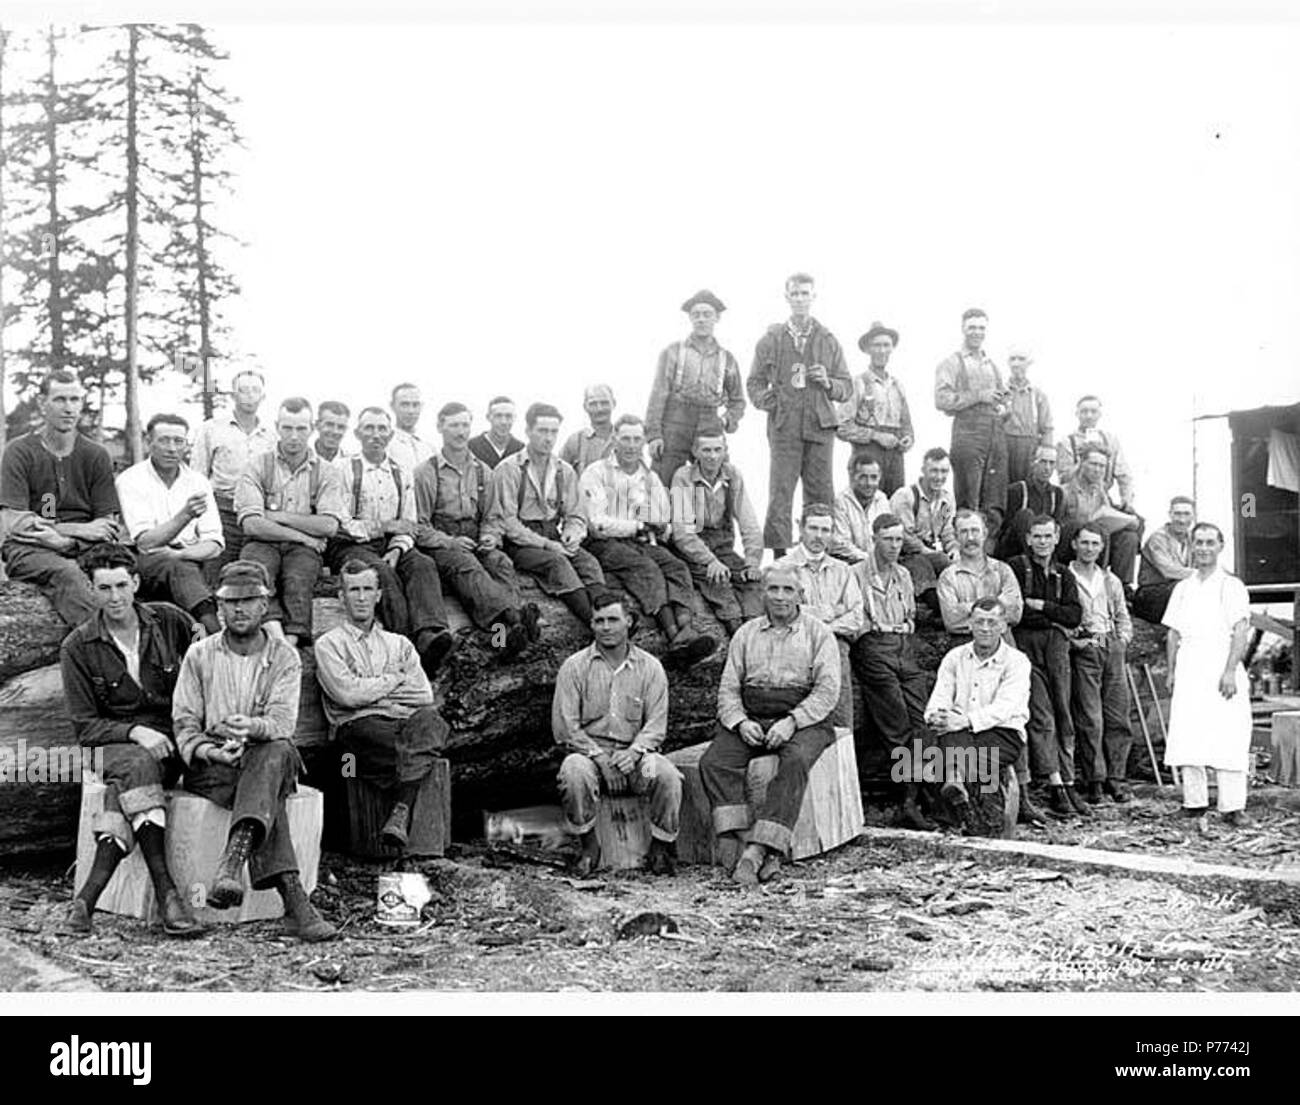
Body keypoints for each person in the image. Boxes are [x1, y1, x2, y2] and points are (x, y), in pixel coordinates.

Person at [172, 560, 336, 942]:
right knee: (268, 783)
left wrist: (252, 727)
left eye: (248, 601)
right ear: (218, 606)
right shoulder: (200, 655)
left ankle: (233, 863)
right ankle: (295, 903)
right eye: (231, 602)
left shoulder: (283, 656)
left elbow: (282, 723)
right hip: (214, 766)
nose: (239, 609)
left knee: (275, 750)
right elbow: (184, 724)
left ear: (265, 606)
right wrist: (211, 752)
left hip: (262, 755)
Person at [59, 545, 202, 937]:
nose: (115, 597)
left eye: (122, 585)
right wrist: (134, 732)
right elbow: (85, 728)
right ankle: (167, 891)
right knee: (136, 765)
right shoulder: (78, 646)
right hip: (111, 746)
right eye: (104, 588)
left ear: (136, 582)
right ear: (91, 589)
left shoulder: (171, 622)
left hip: (172, 741)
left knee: (127, 784)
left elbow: (204, 670)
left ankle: (85, 902)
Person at [702, 564, 842, 885]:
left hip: (804, 718)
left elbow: (827, 691)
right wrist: (739, 723)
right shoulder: (746, 633)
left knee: (793, 762)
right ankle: (743, 840)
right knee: (714, 762)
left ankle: (758, 850)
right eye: (773, 589)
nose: (780, 597)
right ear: (762, 593)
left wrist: (793, 722)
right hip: (752, 716)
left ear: (800, 595)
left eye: (788, 590)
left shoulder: (818, 634)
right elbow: (728, 688)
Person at [313, 560, 448, 850]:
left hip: (399, 726)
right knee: (403, 741)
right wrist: (392, 681)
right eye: (353, 590)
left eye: (367, 589)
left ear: (378, 595)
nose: (361, 597)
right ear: (341, 597)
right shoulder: (329, 644)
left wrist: (369, 691)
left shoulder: (399, 644)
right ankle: (406, 801)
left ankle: (399, 813)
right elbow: (347, 697)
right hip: (358, 730)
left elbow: (423, 695)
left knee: (432, 721)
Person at [552, 591, 682, 877]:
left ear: (629, 622)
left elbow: (656, 726)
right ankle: (589, 846)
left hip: (636, 759)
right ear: (592, 625)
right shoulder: (575, 667)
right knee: (573, 772)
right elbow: (565, 727)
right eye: (599, 621)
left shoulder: (650, 667)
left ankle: (660, 849)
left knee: (666, 775)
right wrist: (599, 758)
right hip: (590, 756)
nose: (606, 627)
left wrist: (635, 752)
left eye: (613, 619)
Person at [578, 414, 715, 667]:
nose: (631, 445)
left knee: (675, 566)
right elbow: (597, 523)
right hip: (604, 543)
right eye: (626, 438)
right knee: (646, 569)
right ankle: (672, 634)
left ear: (643, 441)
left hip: (642, 541)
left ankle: (687, 628)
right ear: (615, 440)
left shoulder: (649, 476)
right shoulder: (596, 473)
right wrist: (639, 524)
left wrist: (660, 525)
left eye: (637, 439)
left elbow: (662, 516)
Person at [328, 406, 456, 674]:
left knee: (422, 564)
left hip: (390, 544)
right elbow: (340, 523)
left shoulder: (401, 472)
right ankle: (405, 645)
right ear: (358, 433)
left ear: (390, 434)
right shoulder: (342, 469)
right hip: (351, 544)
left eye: (382, 429)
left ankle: (430, 634)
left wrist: (397, 549)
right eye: (369, 429)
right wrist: (382, 527)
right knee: (380, 573)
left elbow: (407, 523)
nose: (376, 435)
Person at [414, 402, 539, 659]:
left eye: (465, 425)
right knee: (467, 565)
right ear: (440, 428)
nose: (461, 432)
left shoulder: (483, 471)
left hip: (475, 539)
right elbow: (419, 525)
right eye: (454, 425)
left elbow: (493, 516)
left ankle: (504, 639)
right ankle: (512, 621)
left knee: (501, 562)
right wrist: (449, 541)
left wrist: (489, 536)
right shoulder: (426, 473)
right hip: (441, 545)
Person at [1, 370, 123, 628]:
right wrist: (78, 529)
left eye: (75, 400)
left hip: (83, 547)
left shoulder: (96, 454)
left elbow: (108, 525)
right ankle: (106, 650)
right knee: (67, 573)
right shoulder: (19, 451)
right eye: (59, 400)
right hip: (30, 548)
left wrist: (67, 541)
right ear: (41, 403)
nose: (69, 408)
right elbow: (16, 523)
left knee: (125, 569)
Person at [746, 272, 853, 557]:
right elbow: (754, 382)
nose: (800, 299)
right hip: (785, 427)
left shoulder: (828, 340)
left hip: (819, 427)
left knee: (820, 494)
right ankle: (780, 558)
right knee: (781, 492)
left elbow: (847, 388)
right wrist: (767, 400)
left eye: (805, 293)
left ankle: (821, 555)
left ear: (813, 297)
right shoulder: (771, 340)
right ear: (787, 298)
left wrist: (829, 381)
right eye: (795, 294)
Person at [235, 397, 349, 648]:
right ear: (277, 426)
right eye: (287, 428)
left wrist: (276, 516)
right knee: (257, 571)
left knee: (298, 579)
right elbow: (252, 524)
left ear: (312, 429)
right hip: (262, 542)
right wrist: (304, 535)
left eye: (301, 429)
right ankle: (276, 637)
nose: (294, 436)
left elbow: (329, 526)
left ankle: (294, 639)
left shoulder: (328, 472)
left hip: (302, 550)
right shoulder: (256, 465)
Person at [1163, 522, 1253, 827]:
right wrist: (1172, 671)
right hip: (1190, 665)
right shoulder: (1183, 588)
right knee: (1188, 732)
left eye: (1209, 543)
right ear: (1191, 546)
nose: (1203, 548)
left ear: (1220, 546)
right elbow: (1173, 633)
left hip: (1220, 663)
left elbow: (1241, 631)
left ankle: (1232, 807)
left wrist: (1229, 671)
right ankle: (1194, 802)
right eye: (1198, 542)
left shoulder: (1231, 585)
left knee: (1228, 732)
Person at [850, 514, 936, 830]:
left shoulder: (903, 574)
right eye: (888, 539)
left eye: (899, 539)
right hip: (872, 648)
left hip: (904, 647)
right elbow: (857, 620)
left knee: (924, 720)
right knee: (896, 723)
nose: (894, 546)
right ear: (874, 538)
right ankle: (912, 798)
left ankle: (916, 795)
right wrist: (881, 628)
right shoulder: (856, 574)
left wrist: (902, 628)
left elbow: (910, 616)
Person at [487, 402, 604, 631]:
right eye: (542, 431)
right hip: (520, 541)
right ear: (528, 432)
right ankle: (594, 625)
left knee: (588, 562)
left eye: (553, 432)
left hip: (553, 533)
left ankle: (610, 617)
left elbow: (576, 514)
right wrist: (548, 545)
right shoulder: (508, 469)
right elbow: (508, 522)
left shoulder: (564, 470)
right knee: (557, 562)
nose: (548, 438)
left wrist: (572, 533)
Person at [924, 597, 1032, 833]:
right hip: (958, 732)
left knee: (960, 752)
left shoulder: (1017, 661)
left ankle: (956, 781)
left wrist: (962, 721)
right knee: (939, 737)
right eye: (979, 622)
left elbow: (1005, 707)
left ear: (1003, 626)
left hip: (1003, 732)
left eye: (992, 622)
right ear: (969, 624)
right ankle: (969, 809)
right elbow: (941, 694)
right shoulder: (955, 657)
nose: (985, 628)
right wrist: (936, 715)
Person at [1008, 516, 1089, 820]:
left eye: (1048, 536)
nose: (1042, 542)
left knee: (1064, 712)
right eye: (1037, 536)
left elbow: (1074, 615)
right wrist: (1054, 618)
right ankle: (1054, 785)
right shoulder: (1016, 567)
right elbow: (1018, 614)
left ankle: (1068, 782)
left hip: (1057, 647)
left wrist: (1042, 607)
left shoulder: (1063, 574)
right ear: (1028, 539)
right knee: (1041, 715)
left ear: (1057, 539)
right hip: (1026, 646)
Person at [115, 412, 223, 635]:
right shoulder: (131, 479)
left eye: (179, 441)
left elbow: (214, 543)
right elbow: (146, 543)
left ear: (186, 445)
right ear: (148, 442)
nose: (172, 448)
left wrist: (181, 554)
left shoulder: (198, 481)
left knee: (183, 567)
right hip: (145, 562)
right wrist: (185, 515)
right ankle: (214, 633)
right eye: (164, 440)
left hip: (188, 558)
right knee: (179, 568)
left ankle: (202, 636)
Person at [668, 426, 764, 636]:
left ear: (724, 451)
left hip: (723, 548)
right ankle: (736, 634)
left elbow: (749, 521)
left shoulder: (732, 475)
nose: (712, 456)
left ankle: (756, 633)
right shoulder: (683, 477)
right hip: (693, 551)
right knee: (719, 585)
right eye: (706, 450)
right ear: (695, 452)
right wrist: (709, 561)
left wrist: (753, 561)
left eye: (717, 450)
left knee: (752, 582)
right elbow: (683, 532)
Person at [775, 502, 864, 729]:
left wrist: (817, 620)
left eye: (825, 530)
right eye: (813, 528)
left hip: (834, 644)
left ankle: (843, 747)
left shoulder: (843, 570)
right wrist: (833, 610)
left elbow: (856, 617)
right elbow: (784, 614)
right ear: (801, 529)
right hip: (795, 642)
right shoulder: (782, 568)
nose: (819, 536)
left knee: (840, 705)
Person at [646, 290, 745, 485]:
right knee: (661, 483)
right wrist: (654, 435)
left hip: (709, 423)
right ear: (690, 318)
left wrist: (726, 421)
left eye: (707, 314)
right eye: (696, 315)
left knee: (718, 482)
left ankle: (711, 516)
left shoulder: (727, 358)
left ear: (717, 318)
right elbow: (658, 395)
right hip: (675, 423)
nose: (701, 319)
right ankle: (657, 516)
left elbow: (738, 401)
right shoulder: (673, 352)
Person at [1067, 522, 1135, 804]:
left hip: (1111, 648)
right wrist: (1076, 641)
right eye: (1084, 543)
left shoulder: (1110, 579)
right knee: (1090, 718)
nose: (1090, 549)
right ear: (1074, 544)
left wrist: (1122, 641)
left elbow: (1122, 615)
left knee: (1117, 715)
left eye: (1095, 544)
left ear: (1102, 547)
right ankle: (1094, 779)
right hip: (1085, 649)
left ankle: (1116, 779)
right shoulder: (1066, 576)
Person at [190, 368, 277, 565]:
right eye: (243, 390)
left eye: (255, 390)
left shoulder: (272, 435)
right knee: (216, 571)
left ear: (263, 397)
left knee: (255, 570)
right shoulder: (211, 429)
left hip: (260, 514)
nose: (249, 395)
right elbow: (197, 477)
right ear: (233, 395)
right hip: (222, 511)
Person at [934, 308, 1009, 531]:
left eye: (981, 328)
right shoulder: (952, 362)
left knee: (994, 499)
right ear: (963, 329)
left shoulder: (991, 364)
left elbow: (1002, 397)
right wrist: (978, 396)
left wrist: (1005, 407)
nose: (977, 332)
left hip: (995, 432)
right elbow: (941, 399)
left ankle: (989, 555)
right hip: (968, 433)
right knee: (969, 498)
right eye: (972, 327)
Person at [835, 321, 913, 495]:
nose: (882, 350)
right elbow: (841, 426)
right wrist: (876, 436)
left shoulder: (897, 386)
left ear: (892, 348)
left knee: (895, 505)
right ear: (867, 349)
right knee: (865, 504)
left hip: (895, 457)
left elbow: (907, 425)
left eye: (886, 345)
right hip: (867, 455)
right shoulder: (858, 383)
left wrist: (907, 438)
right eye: (877, 346)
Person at [1061, 444, 1142, 590]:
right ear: (1081, 463)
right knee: (1097, 532)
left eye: (1102, 466)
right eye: (1093, 464)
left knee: (1129, 537)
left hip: (1099, 545)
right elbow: (1059, 527)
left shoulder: (1100, 491)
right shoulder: (1065, 492)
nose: (1098, 470)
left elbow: (1109, 515)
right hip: (1073, 547)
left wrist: (1128, 521)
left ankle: (1121, 588)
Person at [937, 510, 1023, 643]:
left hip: (1004, 650)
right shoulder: (948, 577)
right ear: (956, 537)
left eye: (975, 531)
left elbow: (1015, 612)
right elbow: (951, 621)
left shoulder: (1003, 570)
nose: (970, 538)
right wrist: (998, 605)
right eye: (964, 532)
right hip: (966, 650)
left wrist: (966, 609)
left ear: (985, 534)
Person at [891, 446, 958, 615]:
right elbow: (903, 536)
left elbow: (947, 531)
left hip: (934, 552)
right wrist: (926, 550)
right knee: (924, 565)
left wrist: (954, 549)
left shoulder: (946, 500)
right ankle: (934, 608)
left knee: (953, 567)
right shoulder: (906, 496)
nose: (939, 477)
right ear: (923, 470)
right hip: (906, 555)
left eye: (944, 471)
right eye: (934, 471)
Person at [1056, 394, 1135, 511]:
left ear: (1099, 415)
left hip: (1102, 498)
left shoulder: (1110, 440)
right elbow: (1064, 477)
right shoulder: (1067, 442)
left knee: (1134, 524)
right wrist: (1083, 462)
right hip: (1075, 501)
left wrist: (1127, 501)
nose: (1089, 416)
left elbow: (1124, 475)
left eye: (1093, 412)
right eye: (1084, 411)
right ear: (1077, 414)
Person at [996, 444, 1066, 561]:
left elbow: (1057, 525)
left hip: (1044, 545)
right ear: (1033, 463)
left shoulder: (1057, 493)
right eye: (1043, 462)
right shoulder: (1017, 490)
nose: (1047, 467)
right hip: (1016, 548)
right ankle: (1035, 562)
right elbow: (1008, 527)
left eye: (1052, 463)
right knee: (1026, 515)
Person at [1134, 496, 1196, 624]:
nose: (1182, 519)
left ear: (1193, 516)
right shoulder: (1158, 538)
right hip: (1151, 595)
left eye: (1186, 514)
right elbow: (1169, 571)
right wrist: (1201, 574)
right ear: (1170, 515)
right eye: (1177, 514)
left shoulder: (1193, 539)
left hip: (1175, 591)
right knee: (1188, 588)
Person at [1002, 348, 1054, 485]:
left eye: (1021, 359)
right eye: (1012, 359)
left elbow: (1047, 428)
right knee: (1004, 487)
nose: (1016, 364)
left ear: (1029, 363)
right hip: (1004, 445)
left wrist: (1045, 455)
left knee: (1029, 487)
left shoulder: (1038, 395)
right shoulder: (1001, 391)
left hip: (1030, 447)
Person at [831, 454, 891, 565]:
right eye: (863, 477)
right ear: (852, 476)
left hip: (879, 563)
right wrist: (870, 560)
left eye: (873, 477)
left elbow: (888, 536)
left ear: (880, 477)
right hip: (850, 562)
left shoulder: (882, 499)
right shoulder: (841, 501)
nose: (869, 483)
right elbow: (840, 544)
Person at [560, 384, 618, 475]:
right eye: (593, 404)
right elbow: (560, 474)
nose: (599, 409)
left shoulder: (625, 438)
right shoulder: (575, 441)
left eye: (604, 403)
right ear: (585, 407)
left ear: (614, 404)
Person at [387, 383, 435, 474]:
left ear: (421, 406)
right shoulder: (387, 445)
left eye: (415, 405)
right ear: (392, 406)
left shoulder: (430, 446)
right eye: (405, 405)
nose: (411, 411)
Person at [468, 395, 525, 469]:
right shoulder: (472, 447)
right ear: (488, 417)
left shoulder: (520, 449)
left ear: (514, 418)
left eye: (508, 416)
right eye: (498, 416)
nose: (503, 422)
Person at [312, 400, 353, 466]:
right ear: (317, 425)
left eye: (341, 427)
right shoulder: (301, 457)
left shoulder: (352, 463)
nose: (335, 431)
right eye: (329, 425)